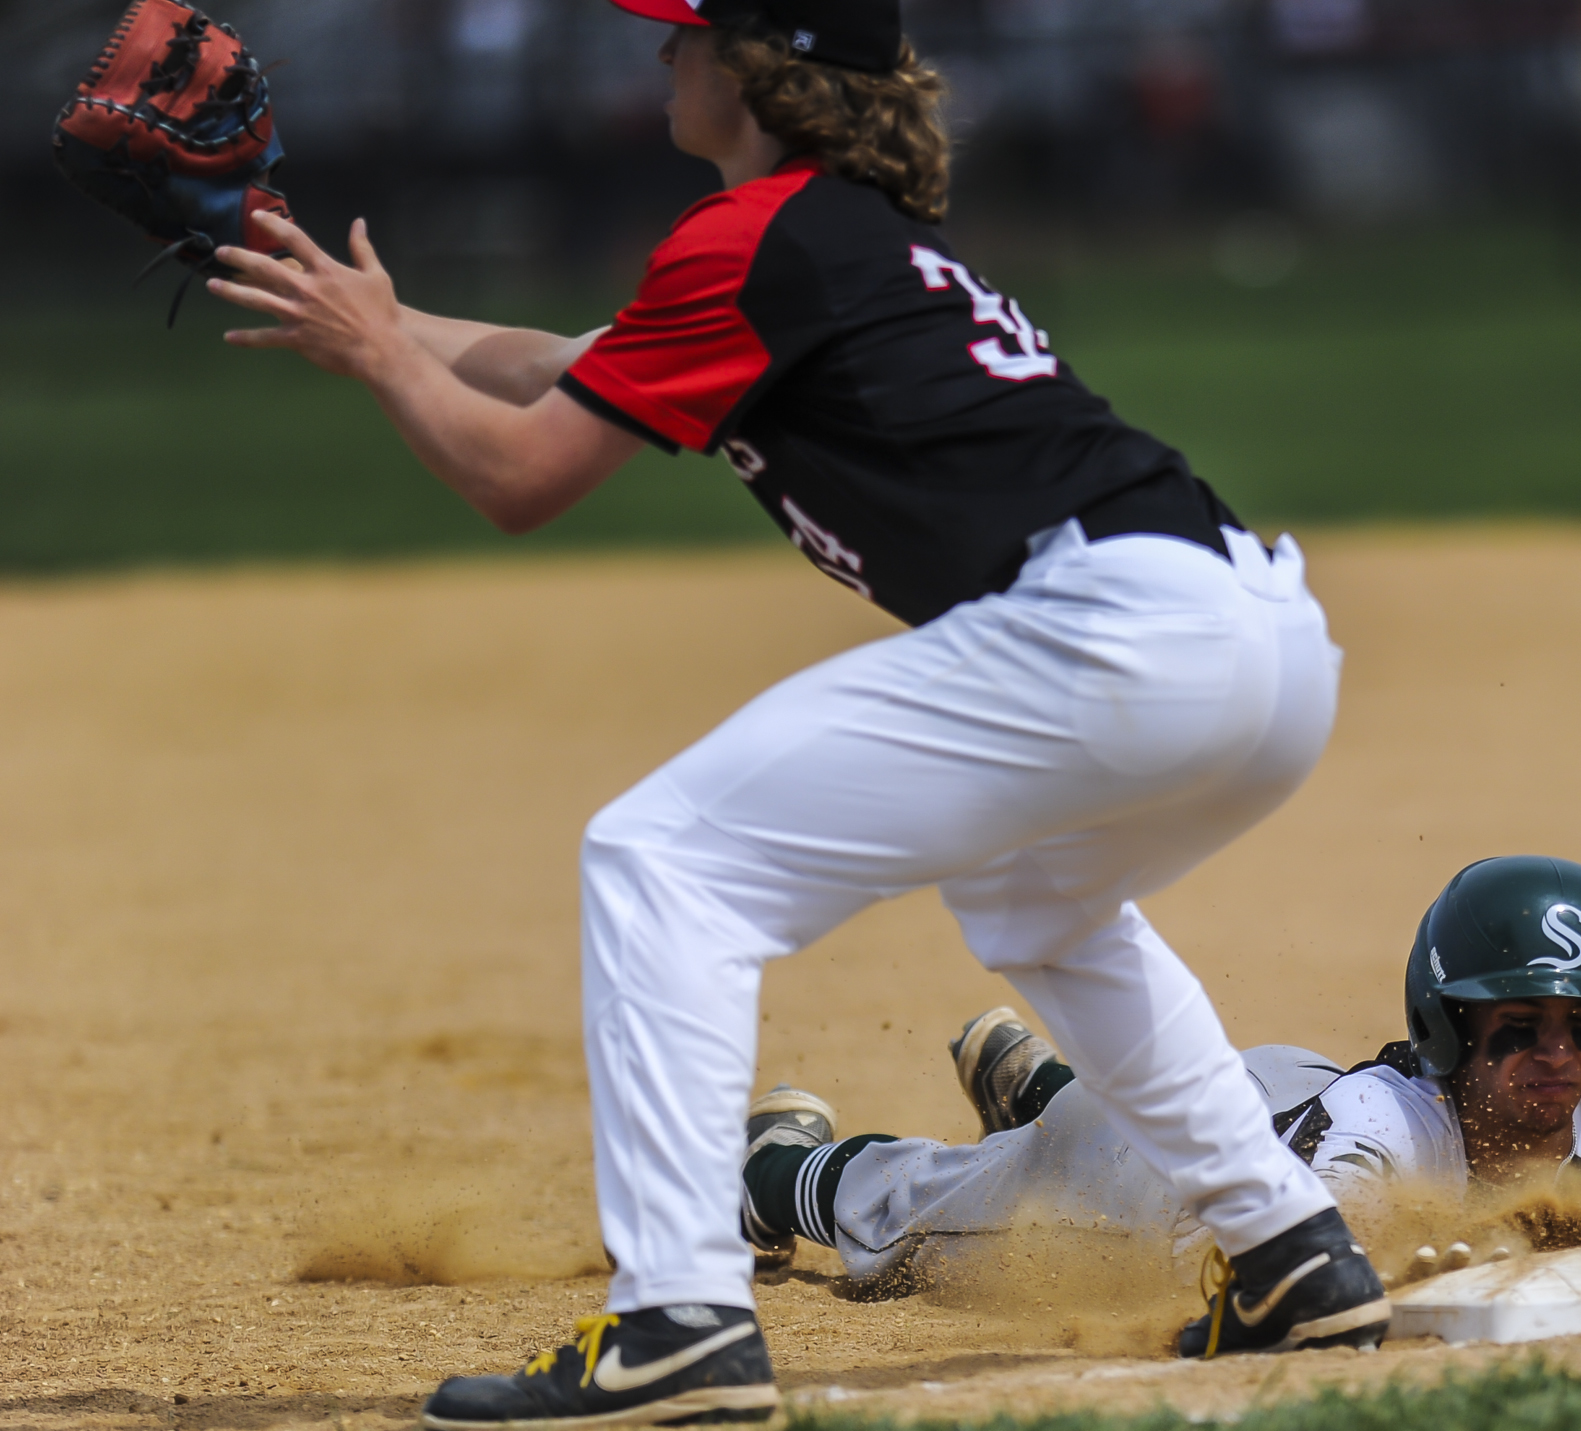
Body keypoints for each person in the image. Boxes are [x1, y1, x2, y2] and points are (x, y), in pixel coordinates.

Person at [204, 0, 1380, 1424]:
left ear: (762, 70)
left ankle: (678, 1317)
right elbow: (563, 362)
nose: (661, 56)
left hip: (1115, 633)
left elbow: (519, 474)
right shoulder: (832, 240)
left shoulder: (755, 238)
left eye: (686, 36)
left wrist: (382, 358)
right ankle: (1286, 1248)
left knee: (664, 857)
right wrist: (369, 318)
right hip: (1255, 640)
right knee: (1038, 898)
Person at [738, 856, 1581, 1357]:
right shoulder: (1380, 1136)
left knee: (1094, 1117)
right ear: (1452, 1024)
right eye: (1520, 1026)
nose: (1560, 1056)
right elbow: (1313, 1265)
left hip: (1288, 1086)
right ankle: (778, 1167)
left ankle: (1048, 1089)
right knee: (922, 1218)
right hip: (1152, 1195)